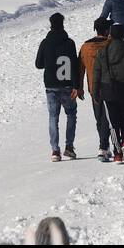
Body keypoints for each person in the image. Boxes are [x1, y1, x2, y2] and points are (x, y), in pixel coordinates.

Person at [34, 12, 81, 161]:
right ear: (63, 24)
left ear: (50, 24)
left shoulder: (45, 43)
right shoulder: (69, 43)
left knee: (53, 117)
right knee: (71, 114)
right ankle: (69, 147)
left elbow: (38, 64)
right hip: (67, 85)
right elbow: (74, 65)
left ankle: (55, 151)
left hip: (51, 86)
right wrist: (76, 85)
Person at [93, 23, 124, 160]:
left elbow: (97, 74)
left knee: (112, 123)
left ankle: (118, 153)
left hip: (108, 91)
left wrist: (96, 93)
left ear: (110, 35)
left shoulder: (103, 52)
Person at [78, 18, 113, 161]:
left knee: (99, 118)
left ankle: (103, 146)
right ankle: (104, 147)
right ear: (106, 31)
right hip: (110, 87)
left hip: (94, 88)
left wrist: (79, 87)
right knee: (110, 118)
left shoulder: (85, 47)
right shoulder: (110, 45)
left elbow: (79, 69)